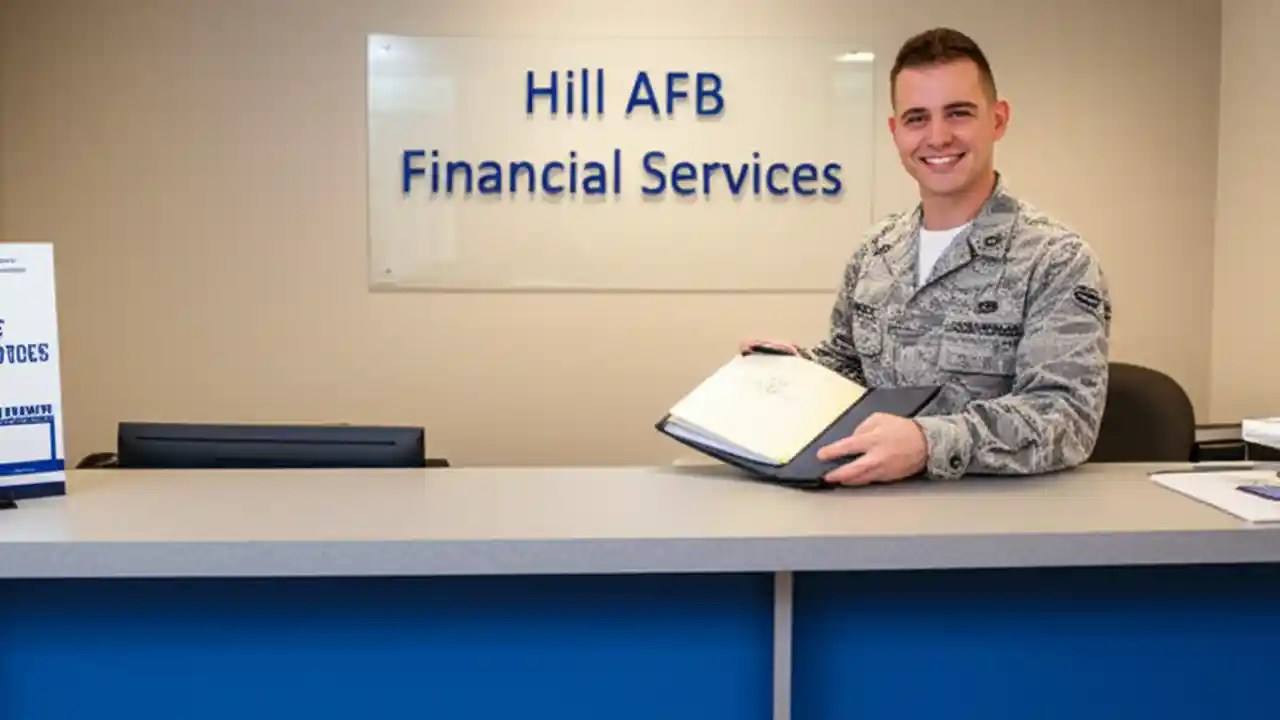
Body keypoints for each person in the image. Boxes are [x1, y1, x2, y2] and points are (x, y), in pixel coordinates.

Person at [742, 27, 1111, 486]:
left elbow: (1066, 418)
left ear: (997, 120)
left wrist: (927, 443)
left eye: (958, 114)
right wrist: (794, 370)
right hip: (866, 512)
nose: (937, 137)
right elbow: (850, 367)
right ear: (896, 132)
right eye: (917, 118)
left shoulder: (1055, 259)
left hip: (997, 529)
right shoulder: (876, 251)